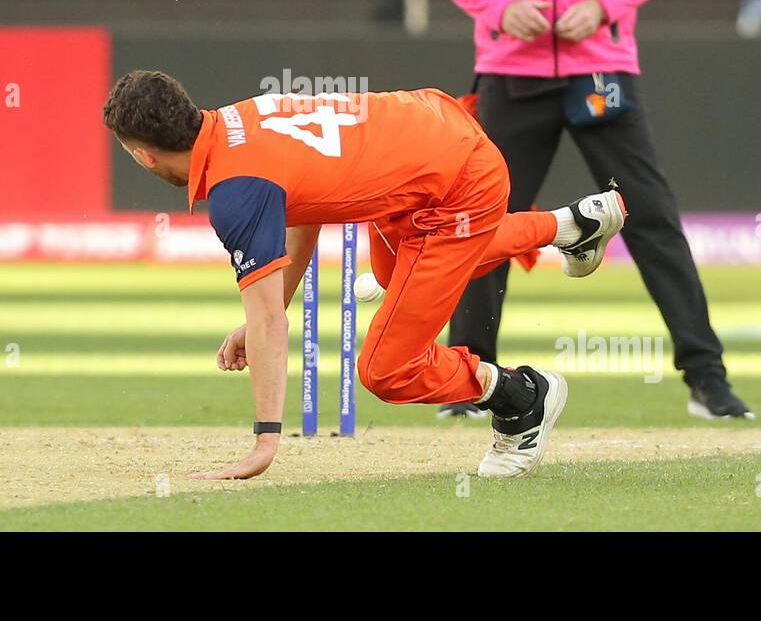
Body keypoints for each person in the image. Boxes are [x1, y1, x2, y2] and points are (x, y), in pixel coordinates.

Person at [433, 0, 754, 421]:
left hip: (599, 66)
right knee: (480, 224)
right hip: (510, 68)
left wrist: (605, 4)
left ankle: (708, 379)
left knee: (652, 219)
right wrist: (498, 7)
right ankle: (469, 380)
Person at [102, 69, 630, 480]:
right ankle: (572, 224)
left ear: (142, 154)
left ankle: (522, 398)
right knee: (397, 267)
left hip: (459, 183)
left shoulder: (235, 192)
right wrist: (273, 309)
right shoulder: (241, 117)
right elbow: (302, 218)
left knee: (385, 368)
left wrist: (265, 442)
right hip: (432, 127)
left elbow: (267, 326)